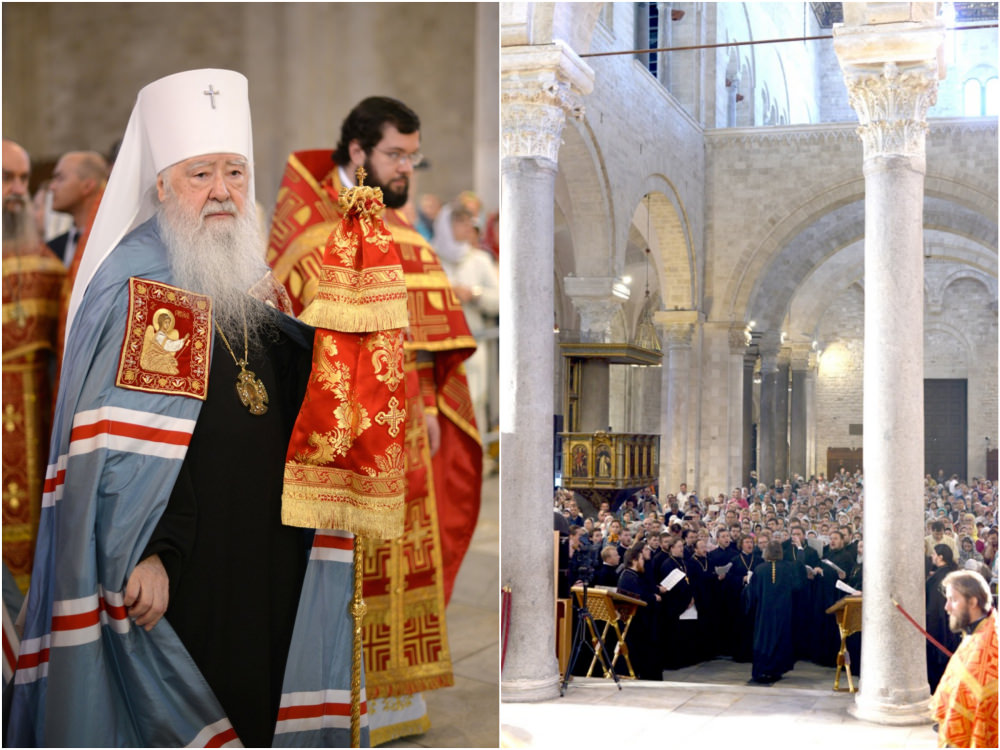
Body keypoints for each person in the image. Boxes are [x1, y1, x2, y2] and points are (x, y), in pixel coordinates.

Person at [6, 69, 362, 747]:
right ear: (163, 186)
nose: (223, 191)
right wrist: (147, 552)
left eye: (235, 172)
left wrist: (346, 343)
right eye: (201, 174)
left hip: (266, 544)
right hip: (185, 565)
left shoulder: (246, 276)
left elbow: (285, 391)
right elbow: (118, 448)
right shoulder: (134, 283)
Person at [266, 95, 482, 743]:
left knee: (398, 554)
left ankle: (390, 701)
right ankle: (329, 693)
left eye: (412, 156)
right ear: (358, 151)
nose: (406, 168)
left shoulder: (402, 231)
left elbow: (421, 329)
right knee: (332, 557)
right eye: (394, 154)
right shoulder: (308, 229)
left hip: (403, 425)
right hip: (331, 428)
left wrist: (428, 399)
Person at [1, 139, 66, 593]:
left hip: (35, 419)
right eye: (7, 178)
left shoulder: (49, 266)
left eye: (24, 179)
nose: (18, 190)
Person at [929, 570, 998, 748]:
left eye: (953, 599)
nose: (947, 607)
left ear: (973, 602)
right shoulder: (982, 627)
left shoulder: (988, 645)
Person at [743, 540, 805, 684]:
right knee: (780, 637)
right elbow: (797, 584)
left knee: (764, 639)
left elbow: (752, 593)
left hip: (764, 612)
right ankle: (776, 670)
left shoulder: (759, 569)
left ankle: (763, 669)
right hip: (783, 611)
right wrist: (800, 551)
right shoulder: (788, 568)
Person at [46, 150, 109, 268]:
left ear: (87, 186)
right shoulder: (51, 249)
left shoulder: (112, 244)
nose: (52, 187)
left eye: (60, 178)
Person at [925, 544, 962, 691]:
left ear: (940, 557)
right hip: (951, 624)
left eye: (934, 554)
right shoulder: (952, 574)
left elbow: (933, 607)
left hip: (937, 626)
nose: (932, 557)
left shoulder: (938, 578)